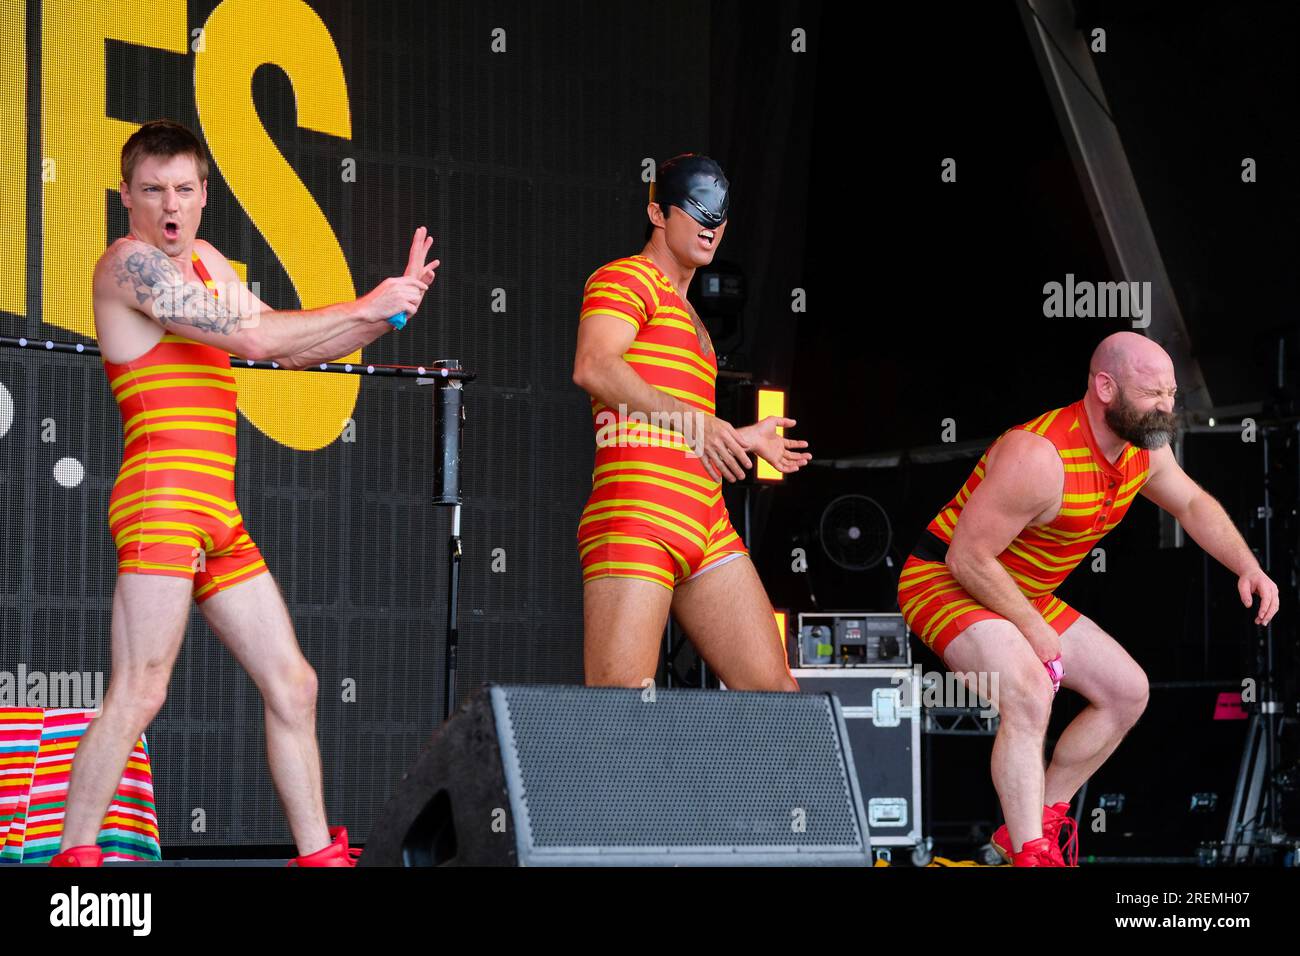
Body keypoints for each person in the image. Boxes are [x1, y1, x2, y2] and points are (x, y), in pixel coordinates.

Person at [52, 119, 438, 867]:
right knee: (141, 691)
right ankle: (74, 863)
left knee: (295, 685)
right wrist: (366, 302)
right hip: (162, 499)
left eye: (185, 190)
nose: (171, 205)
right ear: (126, 196)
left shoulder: (206, 259)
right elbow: (256, 341)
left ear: (203, 197)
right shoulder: (127, 264)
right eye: (154, 190)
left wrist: (388, 315)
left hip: (215, 513)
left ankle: (318, 857)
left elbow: (286, 347)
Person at [896, 331, 1280, 865]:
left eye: (1171, 394)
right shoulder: (1041, 456)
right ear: (1105, 387)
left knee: (1127, 692)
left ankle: (1038, 821)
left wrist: (1247, 565)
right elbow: (967, 559)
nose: (1166, 408)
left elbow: (1191, 503)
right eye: (1152, 395)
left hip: (1023, 590)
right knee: (1031, 692)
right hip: (947, 580)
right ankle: (1032, 853)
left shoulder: (1144, 449)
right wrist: (1034, 630)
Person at [572, 153, 812, 690]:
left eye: (720, 218)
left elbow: (677, 416)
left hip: (707, 522)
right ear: (658, 215)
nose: (712, 227)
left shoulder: (692, 316)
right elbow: (594, 365)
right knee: (619, 715)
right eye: (698, 211)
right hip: (638, 514)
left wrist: (736, 436)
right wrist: (694, 422)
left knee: (779, 704)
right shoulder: (627, 276)